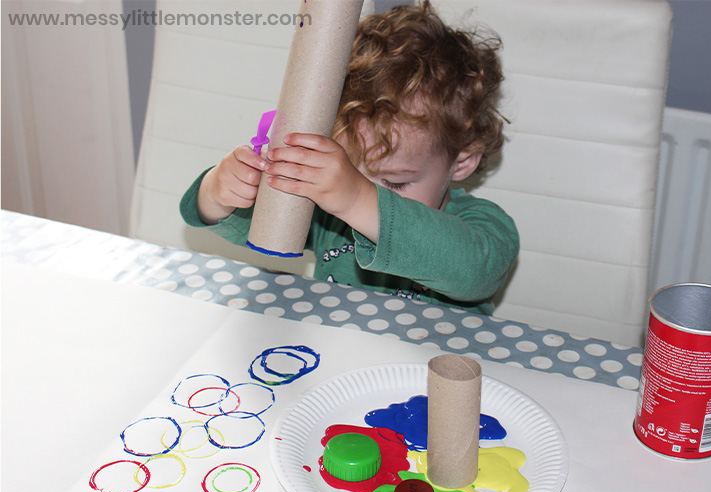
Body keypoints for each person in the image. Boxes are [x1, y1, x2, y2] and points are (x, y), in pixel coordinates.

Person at [180, 1, 519, 315]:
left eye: (393, 182)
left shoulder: (483, 226)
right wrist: (220, 192)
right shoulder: (331, 219)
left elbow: (475, 273)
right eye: (346, 171)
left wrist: (356, 197)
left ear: (462, 162)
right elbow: (250, 225)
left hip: (433, 376)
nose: (350, 188)